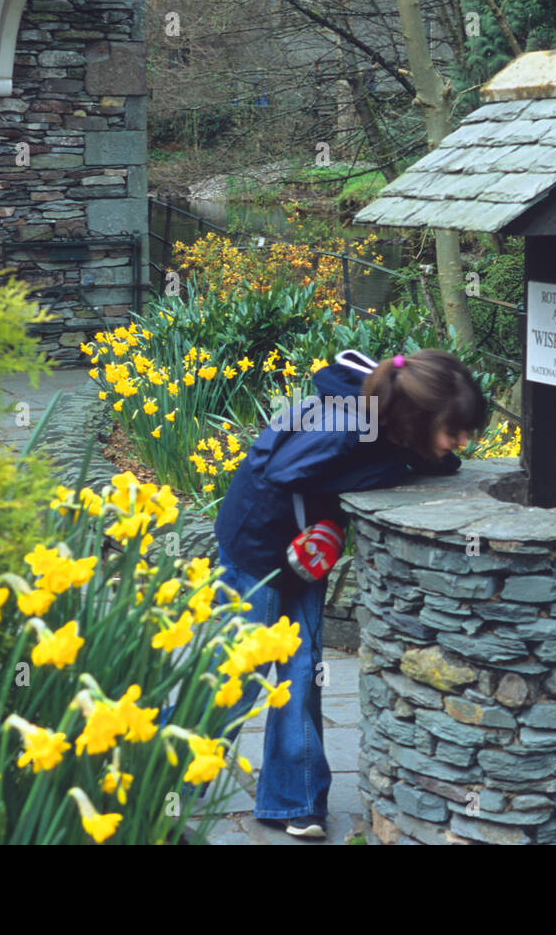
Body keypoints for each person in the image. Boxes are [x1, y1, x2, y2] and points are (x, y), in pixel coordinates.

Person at [212, 348, 488, 838]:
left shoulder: (383, 424)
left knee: (300, 675)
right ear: (416, 419)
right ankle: (156, 769)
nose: (462, 441)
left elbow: (391, 460)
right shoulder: (342, 424)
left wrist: (419, 458)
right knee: (237, 681)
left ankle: (293, 799)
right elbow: (283, 472)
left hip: (298, 560)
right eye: (454, 431)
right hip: (257, 557)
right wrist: (388, 471)